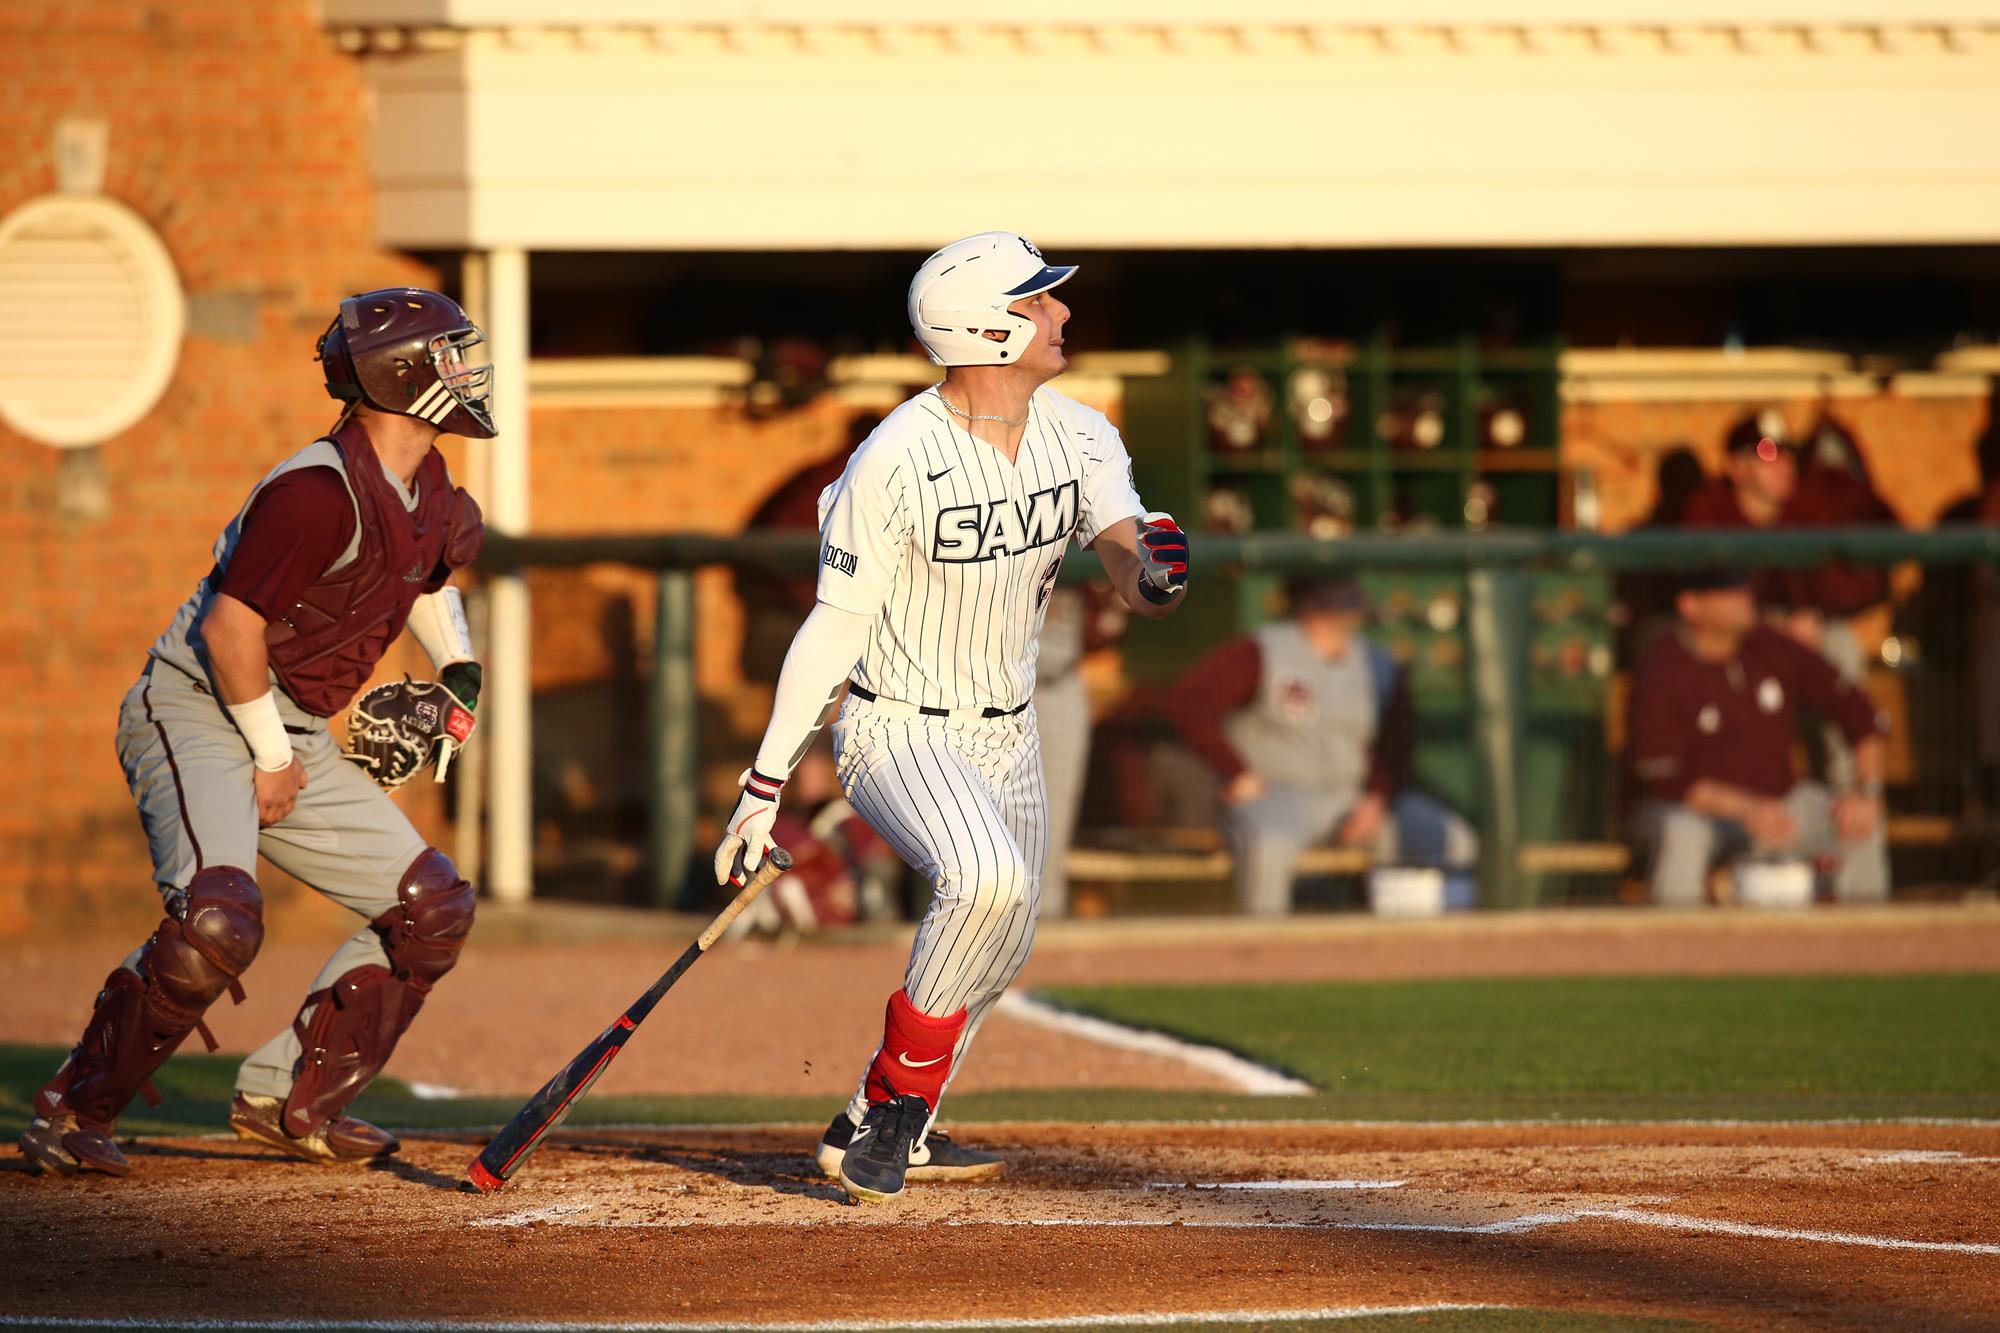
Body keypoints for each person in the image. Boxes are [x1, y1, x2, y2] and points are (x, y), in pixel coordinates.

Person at [709, 232, 1189, 1204]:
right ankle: (893, 1103)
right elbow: (831, 626)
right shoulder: (891, 459)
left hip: (1009, 729)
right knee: (983, 878)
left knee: (1002, 937)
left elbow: (1124, 556)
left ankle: (885, 1120)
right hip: (898, 727)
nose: (1058, 313)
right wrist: (761, 786)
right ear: (986, 327)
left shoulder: (1082, 430)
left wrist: (1154, 567)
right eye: (1039, 300)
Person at [19, 289, 494, 1178]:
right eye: (451, 355)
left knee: (433, 911)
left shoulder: (429, 485)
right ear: (402, 374)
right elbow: (230, 630)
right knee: (217, 924)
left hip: (297, 724)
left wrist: (457, 668)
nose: (469, 371)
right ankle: (72, 1110)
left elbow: (426, 576)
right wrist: (272, 759)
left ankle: (289, 1100)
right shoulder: (315, 491)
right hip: (198, 704)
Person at [1164, 572, 1477, 917]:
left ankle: (1438, 951)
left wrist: (1378, 798)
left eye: (1352, 587)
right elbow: (1187, 701)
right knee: (1269, 846)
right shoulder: (1264, 649)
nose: (1354, 595)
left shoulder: (1379, 663)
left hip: (1353, 797)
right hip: (1277, 795)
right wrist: (1235, 770)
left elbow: (1397, 745)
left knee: (1452, 838)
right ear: (1311, 599)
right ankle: (1263, 956)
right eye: (1340, 587)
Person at [1629, 568, 1889, 905]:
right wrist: (1748, 809)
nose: (1744, 597)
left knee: (1858, 824)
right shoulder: (1663, 664)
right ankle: (1676, 951)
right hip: (1698, 811)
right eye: (1728, 590)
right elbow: (1664, 779)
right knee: (1682, 834)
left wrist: (1866, 794)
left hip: (1781, 803)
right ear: (1691, 605)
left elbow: (1858, 710)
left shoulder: (1767, 645)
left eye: (1743, 586)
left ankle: (1866, 945)